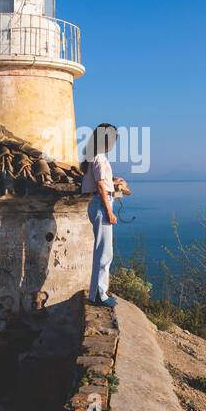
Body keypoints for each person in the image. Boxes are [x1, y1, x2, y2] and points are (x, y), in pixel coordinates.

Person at [80, 123, 126, 306]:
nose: (114, 142)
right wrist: (109, 211)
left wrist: (113, 182)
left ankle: (96, 294)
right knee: (105, 253)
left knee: (102, 252)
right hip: (101, 205)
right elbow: (100, 187)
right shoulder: (99, 158)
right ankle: (100, 295)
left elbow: (101, 182)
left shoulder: (96, 157)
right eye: (113, 138)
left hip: (99, 204)